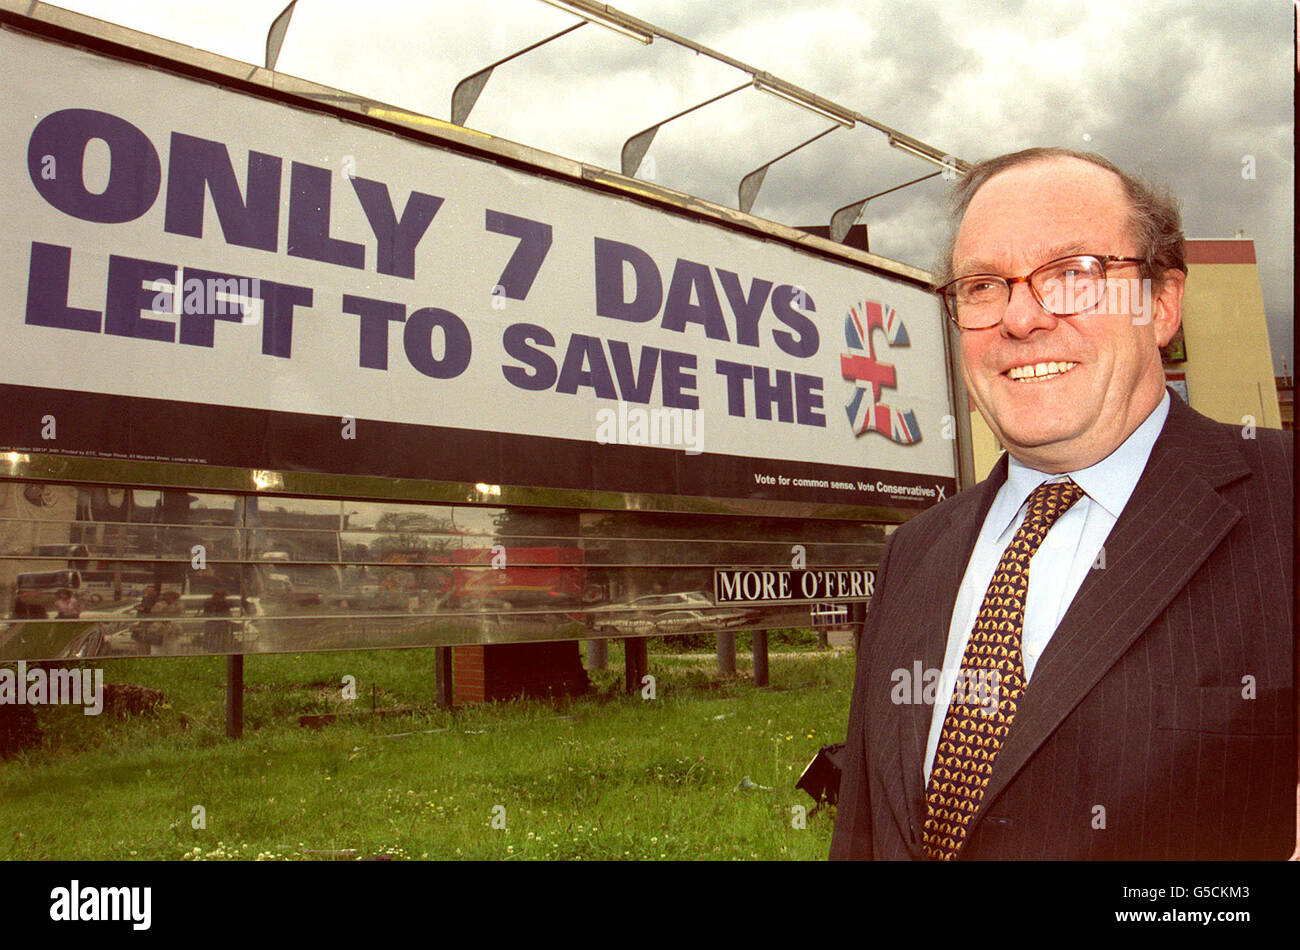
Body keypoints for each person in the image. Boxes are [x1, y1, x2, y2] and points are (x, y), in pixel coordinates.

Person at [830, 148, 1294, 861]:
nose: (1021, 318)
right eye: (983, 285)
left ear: (1162, 304)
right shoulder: (913, 553)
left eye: (1072, 274)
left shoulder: (1282, 503)